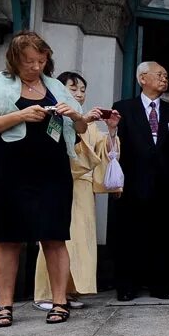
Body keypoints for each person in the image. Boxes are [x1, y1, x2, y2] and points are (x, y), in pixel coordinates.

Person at [0, 31, 90, 326]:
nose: (36, 66)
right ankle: (4, 305)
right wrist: (20, 116)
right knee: (8, 238)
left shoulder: (55, 87)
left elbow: (80, 129)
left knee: (54, 236)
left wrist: (73, 116)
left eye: (41, 60)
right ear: (15, 60)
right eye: (29, 61)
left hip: (52, 170)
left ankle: (60, 301)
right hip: (9, 169)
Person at [32, 72, 120, 310]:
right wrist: (85, 121)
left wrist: (111, 130)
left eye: (82, 89)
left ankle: (67, 291)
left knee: (80, 242)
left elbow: (106, 153)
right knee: (54, 239)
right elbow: (66, 150)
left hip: (82, 189)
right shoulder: (54, 115)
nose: (79, 93)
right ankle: (45, 294)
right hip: (58, 183)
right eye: (73, 89)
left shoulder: (86, 121)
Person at [110, 61, 169, 301]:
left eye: (166, 76)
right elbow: (116, 145)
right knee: (129, 235)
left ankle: (161, 284)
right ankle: (127, 285)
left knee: (163, 236)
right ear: (143, 78)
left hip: (165, 185)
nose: (165, 79)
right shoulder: (123, 109)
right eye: (160, 75)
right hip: (133, 183)